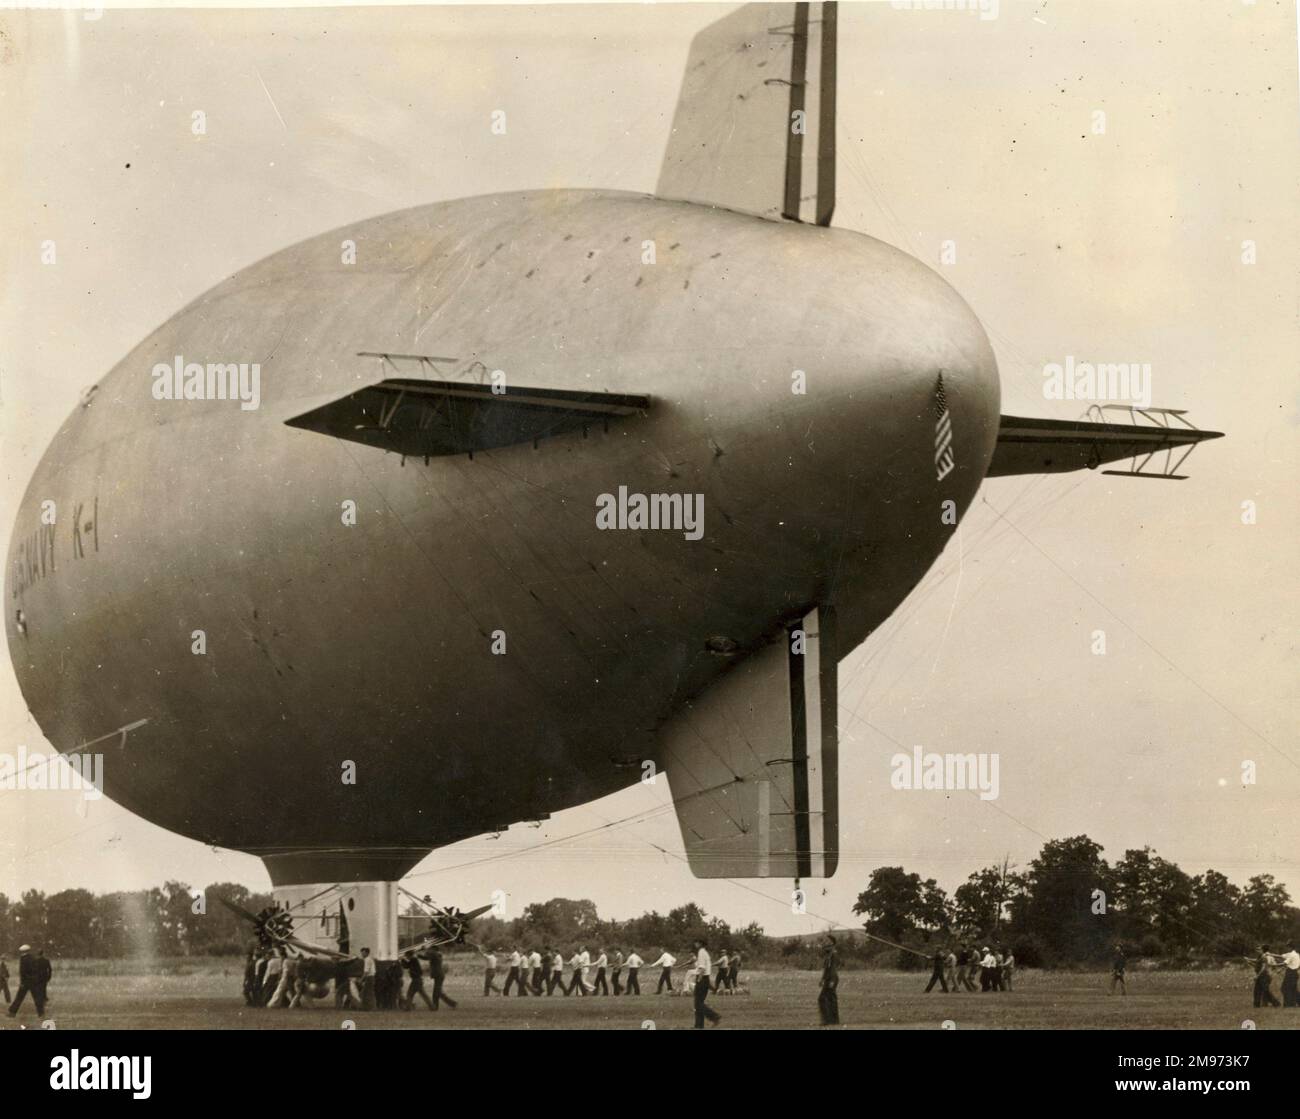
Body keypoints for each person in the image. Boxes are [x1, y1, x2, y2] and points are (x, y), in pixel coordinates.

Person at [7, 945, 44, 1018]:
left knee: (19, 997)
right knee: (36, 997)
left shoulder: (23, 959)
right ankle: (41, 1013)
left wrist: (22, 982)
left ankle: (12, 1012)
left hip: (26, 981)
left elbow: (22, 971)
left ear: (22, 951)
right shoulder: (33, 958)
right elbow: (36, 970)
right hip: (33, 981)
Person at [691, 939, 721, 1028]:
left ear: (700, 944)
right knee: (698, 1003)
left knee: (698, 1003)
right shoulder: (705, 953)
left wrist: (699, 979)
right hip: (706, 978)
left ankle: (715, 1016)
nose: (695, 943)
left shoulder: (701, 952)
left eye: (696, 942)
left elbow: (702, 968)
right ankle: (699, 1025)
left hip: (702, 978)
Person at [818, 935, 840, 1026]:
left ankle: (827, 1021)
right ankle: (833, 1021)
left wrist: (831, 980)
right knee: (830, 999)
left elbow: (833, 969)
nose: (824, 943)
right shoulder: (829, 954)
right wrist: (822, 979)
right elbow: (826, 969)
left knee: (822, 998)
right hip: (829, 978)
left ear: (831, 943)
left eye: (827, 941)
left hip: (832, 978)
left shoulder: (833, 954)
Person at [1279, 941, 1300, 1008]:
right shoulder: (1296, 954)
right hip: (1294, 973)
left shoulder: (1291, 955)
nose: (1286, 948)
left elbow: (1284, 963)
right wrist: (1270, 954)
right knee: (1292, 989)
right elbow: (1281, 956)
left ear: (1290, 947)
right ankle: (1291, 1003)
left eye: (1287, 947)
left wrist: (1274, 965)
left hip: (1291, 973)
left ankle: (1289, 1004)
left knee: (1285, 988)